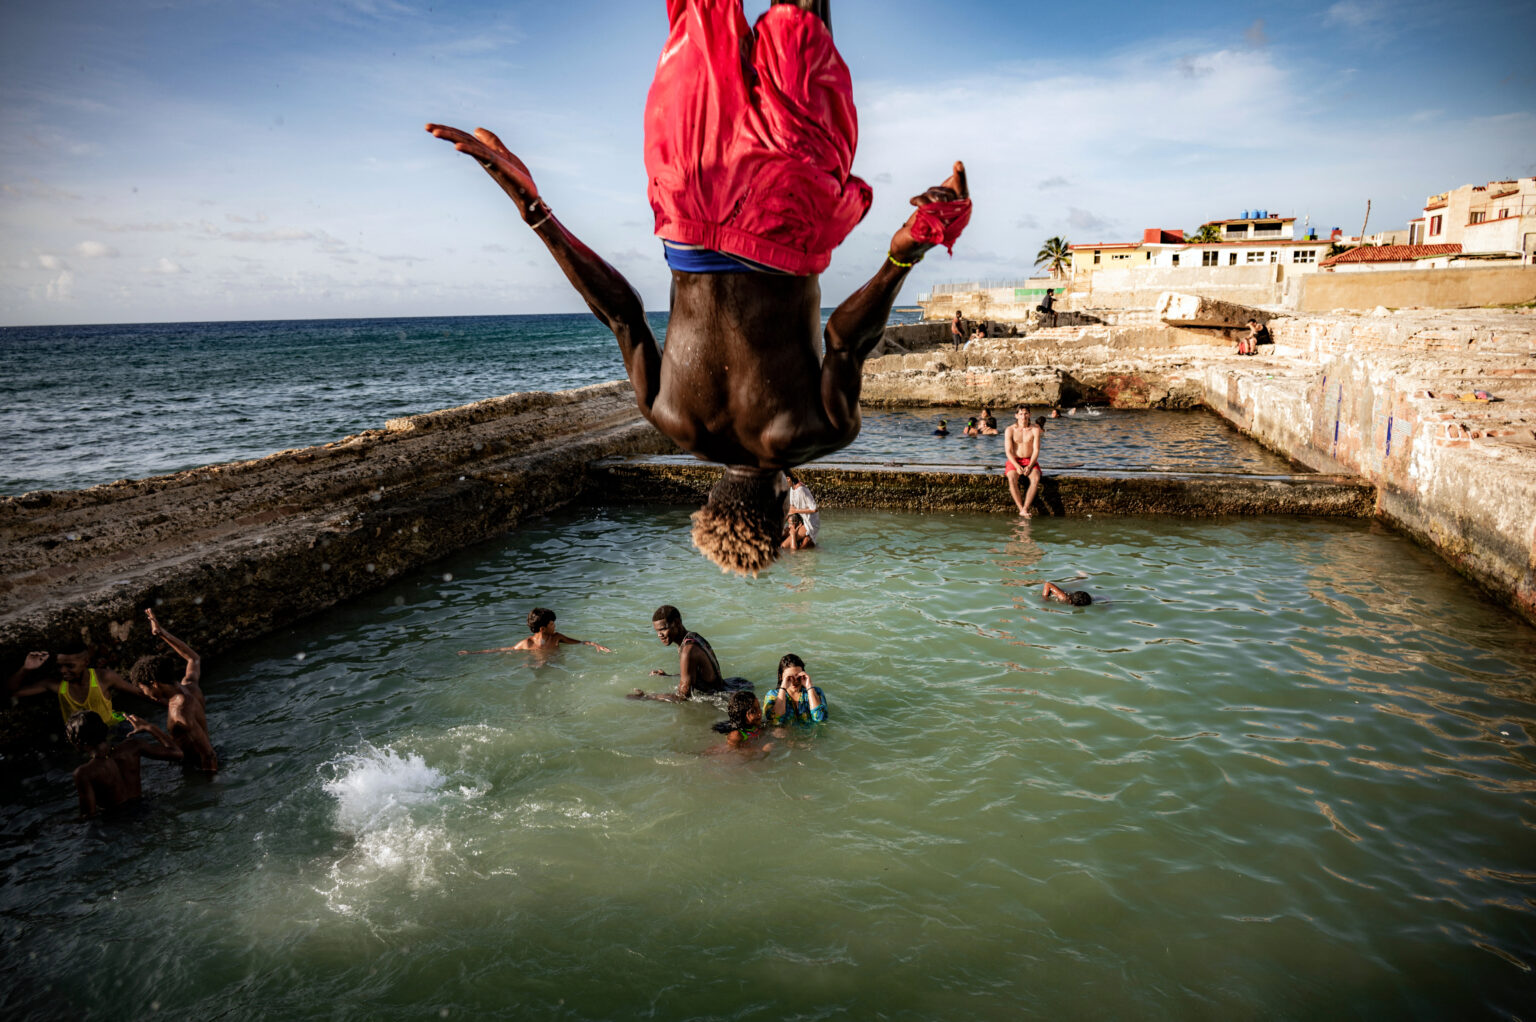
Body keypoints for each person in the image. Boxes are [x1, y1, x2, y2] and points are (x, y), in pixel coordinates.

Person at [426, 1, 971, 577]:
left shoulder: (822, 432)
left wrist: (904, 252)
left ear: (783, 503)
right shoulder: (668, 417)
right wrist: (535, 212)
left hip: (785, 214)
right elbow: (620, 314)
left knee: (799, 17)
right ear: (710, 498)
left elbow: (845, 339)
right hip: (687, 195)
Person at [130, 609, 218, 772]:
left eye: (143, 689)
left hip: (197, 766)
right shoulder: (190, 686)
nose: (144, 693)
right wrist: (162, 633)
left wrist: (211, 790)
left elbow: (209, 755)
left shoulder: (180, 711)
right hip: (204, 755)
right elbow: (193, 658)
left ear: (154, 683)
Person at [67, 711, 183, 819]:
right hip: (145, 808)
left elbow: (88, 815)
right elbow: (177, 753)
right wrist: (149, 727)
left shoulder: (84, 773)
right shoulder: (133, 747)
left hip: (117, 821)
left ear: (78, 742)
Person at [629, 605, 747, 701]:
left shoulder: (688, 651)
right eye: (657, 631)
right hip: (731, 687)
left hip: (724, 698)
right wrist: (668, 676)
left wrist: (647, 696)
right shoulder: (691, 637)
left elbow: (683, 696)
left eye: (663, 629)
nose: (659, 635)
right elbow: (695, 675)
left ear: (678, 623)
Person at [10, 645, 142, 730]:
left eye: (69, 666)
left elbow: (142, 694)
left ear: (86, 662)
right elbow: (11, 693)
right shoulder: (55, 685)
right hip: (82, 738)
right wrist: (25, 669)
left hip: (113, 728)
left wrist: (162, 699)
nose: (62, 671)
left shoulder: (104, 678)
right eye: (59, 666)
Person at [460, 607, 613, 654]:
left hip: (557, 668)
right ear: (543, 628)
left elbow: (580, 642)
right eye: (552, 624)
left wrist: (594, 644)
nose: (555, 627)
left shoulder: (557, 638)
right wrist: (472, 653)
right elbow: (502, 649)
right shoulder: (527, 643)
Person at [763, 654, 827, 726]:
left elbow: (820, 719)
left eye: (798, 677)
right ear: (781, 677)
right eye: (789, 678)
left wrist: (809, 686)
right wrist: (783, 688)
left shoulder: (816, 692)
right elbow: (775, 721)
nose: (795, 681)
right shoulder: (772, 695)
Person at [1004, 404, 1044, 518]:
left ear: (1030, 415)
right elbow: (1008, 451)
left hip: (1030, 460)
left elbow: (1036, 450)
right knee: (1011, 479)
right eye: (1021, 414)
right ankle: (1021, 509)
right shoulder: (1010, 430)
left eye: (1026, 413)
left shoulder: (1035, 430)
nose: (1023, 416)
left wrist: (1030, 466)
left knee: (1036, 478)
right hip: (1014, 460)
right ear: (1016, 415)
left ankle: (1026, 508)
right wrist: (1016, 466)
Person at [705, 690, 772, 755]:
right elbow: (734, 750)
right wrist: (760, 750)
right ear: (742, 715)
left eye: (759, 708)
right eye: (753, 711)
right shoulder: (736, 734)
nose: (759, 713)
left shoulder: (758, 724)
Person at [785, 471, 820, 546]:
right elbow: (791, 508)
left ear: (788, 479)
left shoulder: (801, 489)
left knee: (785, 546)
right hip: (802, 520)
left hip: (810, 523)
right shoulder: (792, 488)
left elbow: (815, 509)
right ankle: (809, 542)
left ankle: (809, 539)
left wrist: (796, 510)